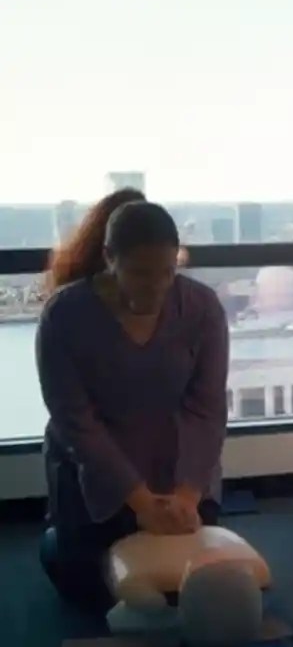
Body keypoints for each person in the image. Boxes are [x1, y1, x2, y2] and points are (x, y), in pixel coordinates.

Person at [37, 190, 228, 615]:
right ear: (110, 258)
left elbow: (208, 409)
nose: (156, 287)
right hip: (94, 467)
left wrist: (186, 495)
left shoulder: (201, 307)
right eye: (141, 273)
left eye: (167, 272)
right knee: (89, 589)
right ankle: (56, 539)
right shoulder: (64, 316)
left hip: (178, 464)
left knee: (188, 583)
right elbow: (75, 420)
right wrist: (140, 502)